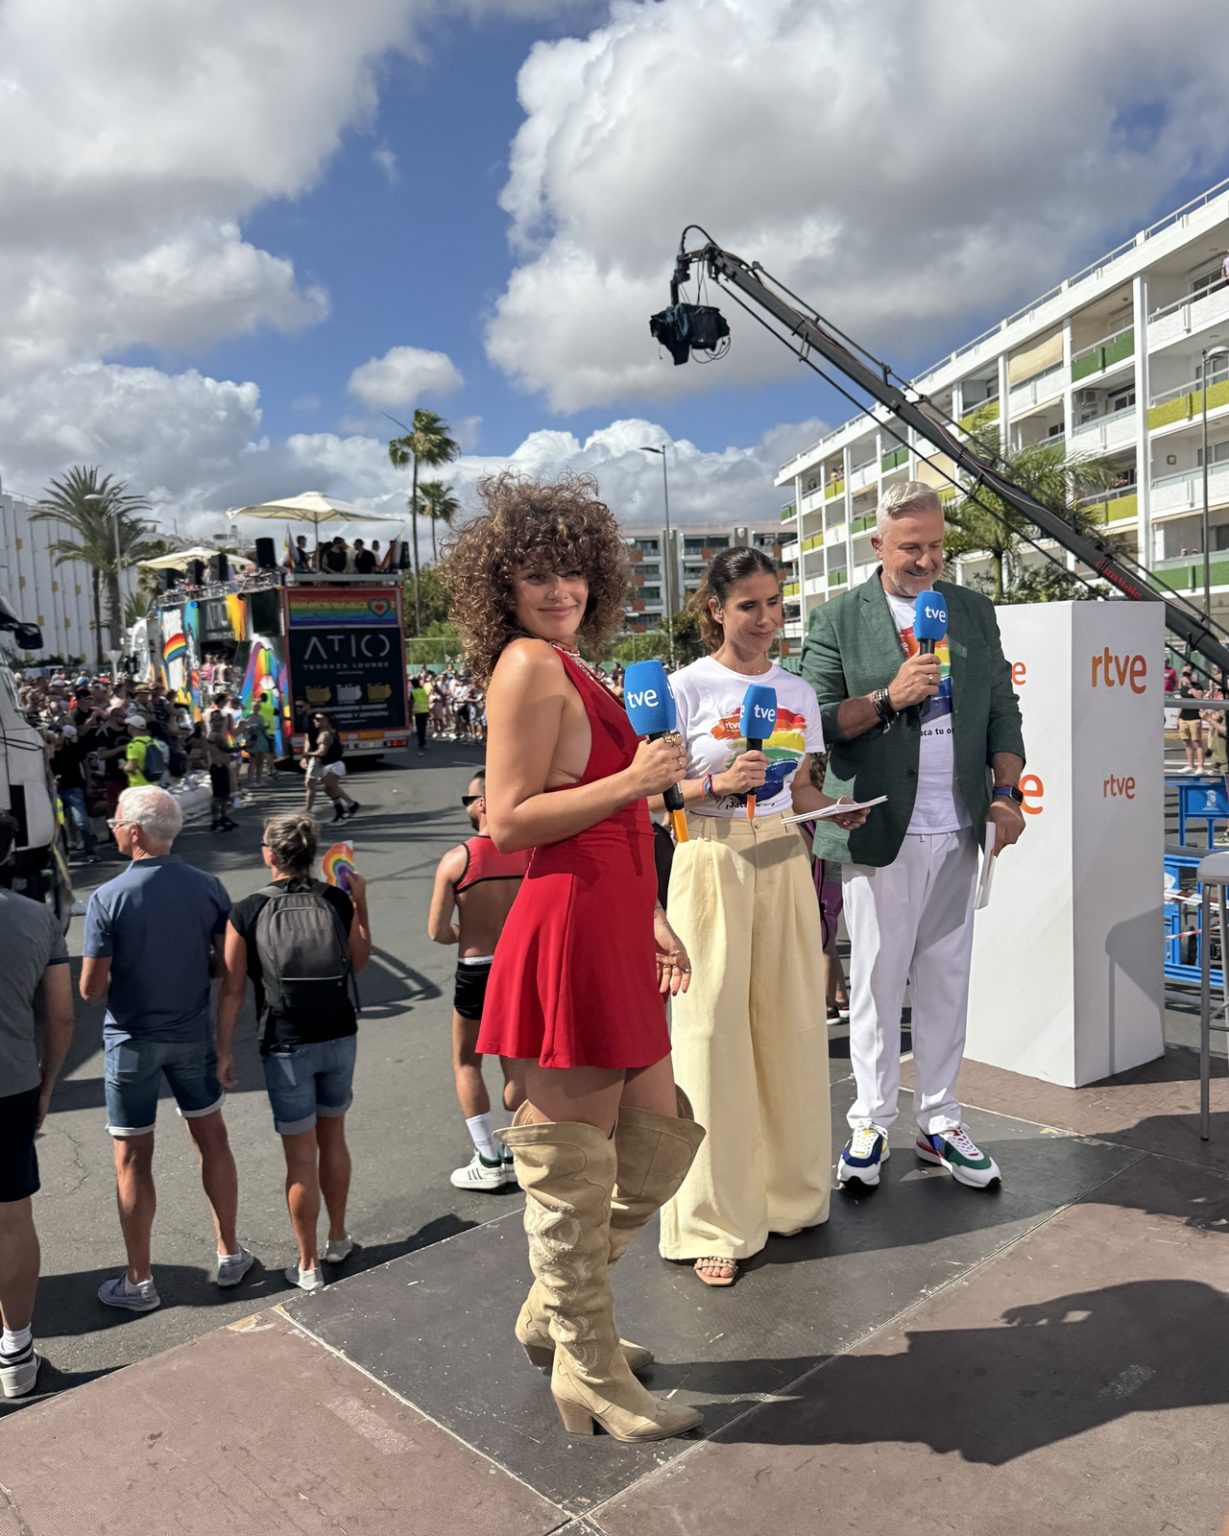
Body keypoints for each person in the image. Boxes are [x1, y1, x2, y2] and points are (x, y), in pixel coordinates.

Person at [445, 471, 704, 1444]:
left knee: (654, 1146)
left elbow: (603, 820)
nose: (559, 591)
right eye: (535, 576)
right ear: (501, 586)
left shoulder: (571, 666)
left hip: (610, 927)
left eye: (571, 574)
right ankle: (587, 1368)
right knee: (572, 1169)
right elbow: (511, 822)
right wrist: (636, 779)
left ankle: (557, 1312)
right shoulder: (525, 667)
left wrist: (646, 915)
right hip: (561, 935)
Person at [801, 481, 1026, 1192]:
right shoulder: (838, 619)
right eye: (911, 548)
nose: (927, 560)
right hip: (876, 824)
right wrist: (885, 698)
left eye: (934, 545)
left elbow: (1002, 712)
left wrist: (1007, 792)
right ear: (877, 546)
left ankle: (938, 1120)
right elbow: (817, 722)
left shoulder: (969, 612)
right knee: (873, 979)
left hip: (958, 823)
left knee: (944, 978)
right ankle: (868, 1120)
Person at [656, 547, 868, 1288]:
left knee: (789, 1025)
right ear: (715, 609)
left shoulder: (796, 692)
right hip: (707, 856)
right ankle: (713, 1217)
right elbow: (651, 797)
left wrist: (843, 815)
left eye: (775, 602)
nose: (767, 619)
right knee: (710, 1036)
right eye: (750, 605)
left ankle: (788, 1196)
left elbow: (802, 790)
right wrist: (711, 781)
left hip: (783, 855)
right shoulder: (681, 689)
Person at [80, 787, 253, 1310]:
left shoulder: (107, 897)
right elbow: (227, 966)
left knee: (132, 1157)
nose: (111, 829)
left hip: (130, 1040)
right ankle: (228, 1251)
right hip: (190, 1036)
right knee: (212, 1139)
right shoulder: (208, 887)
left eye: (115, 823)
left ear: (135, 831)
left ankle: (140, 1280)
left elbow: (90, 988)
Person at [218, 815, 371, 1292]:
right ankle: (339, 1237)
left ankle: (307, 1265)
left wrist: (224, 1049)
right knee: (335, 1139)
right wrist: (360, 904)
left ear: (270, 855)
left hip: (285, 1042)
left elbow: (232, 990)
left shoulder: (247, 911)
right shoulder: (336, 899)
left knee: (300, 1158)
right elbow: (360, 961)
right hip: (340, 1033)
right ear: (311, 852)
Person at [0, 813, 74, 1398]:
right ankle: (17, 1354)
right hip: (12, 1085)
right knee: (12, 1218)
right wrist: (50, 1083)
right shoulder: (35, 918)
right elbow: (61, 1013)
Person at [427, 770, 530, 1190]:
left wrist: (464, 933)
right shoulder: (529, 852)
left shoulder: (458, 860)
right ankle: (520, 1151)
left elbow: (437, 931)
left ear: (484, 803)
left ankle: (488, 1158)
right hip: (518, 966)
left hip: (476, 968)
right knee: (517, 1062)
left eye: (468, 798)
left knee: (467, 1060)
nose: (466, 805)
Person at [51, 721, 98, 862]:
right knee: (59, 823)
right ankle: (65, 853)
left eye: (60, 733)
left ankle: (90, 851)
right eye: (55, 734)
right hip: (56, 791)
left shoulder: (73, 748)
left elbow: (85, 764)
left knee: (81, 820)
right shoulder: (47, 751)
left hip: (74, 787)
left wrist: (89, 782)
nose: (58, 736)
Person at [303, 711, 359, 822]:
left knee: (329, 787)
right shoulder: (323, 732)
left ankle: (341, 812)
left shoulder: (325, 734)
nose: (315, 721)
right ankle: (348, 806)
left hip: (334, 764)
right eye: (315, 719)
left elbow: (322, 752)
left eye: (319, 719)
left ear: (326, 720)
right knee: (329, 788)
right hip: (326, 764)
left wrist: (308, 754)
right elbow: (308, 740)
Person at [206, 710, 239, 833]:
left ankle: (223, 818)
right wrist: (243, 747)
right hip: (217, 767)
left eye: (221, 719)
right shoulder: (215, 736)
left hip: (222, 766)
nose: (219, 721)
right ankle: (215, 820)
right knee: (218, 796)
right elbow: (226, 749)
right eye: (216, 719)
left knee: (225, 795)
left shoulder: (218, 734)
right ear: (211, 722)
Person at [1178, 667, 1205, 773]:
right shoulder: (1181, 687)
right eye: (1184, 675)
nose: (1185, 677)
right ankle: (1190, 764)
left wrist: (1190, 686)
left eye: (1187, 675)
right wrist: (1178, 718)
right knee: (1187, 742)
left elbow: (1200, 697)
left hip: (1194, 717)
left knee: (1197, 741)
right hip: (1184, 717)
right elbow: (1181, 702)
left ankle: (1200, 766)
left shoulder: (1197, 686)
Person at [411, 676, 431, 754]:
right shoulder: (422, 690)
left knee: (419, 728)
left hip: (418, 711)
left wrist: (410, 711)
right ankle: (423, 742)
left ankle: (421, 743)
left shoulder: (413, 692)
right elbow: (426, 700)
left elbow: (412, 702)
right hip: (425, 710)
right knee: (423, 727)